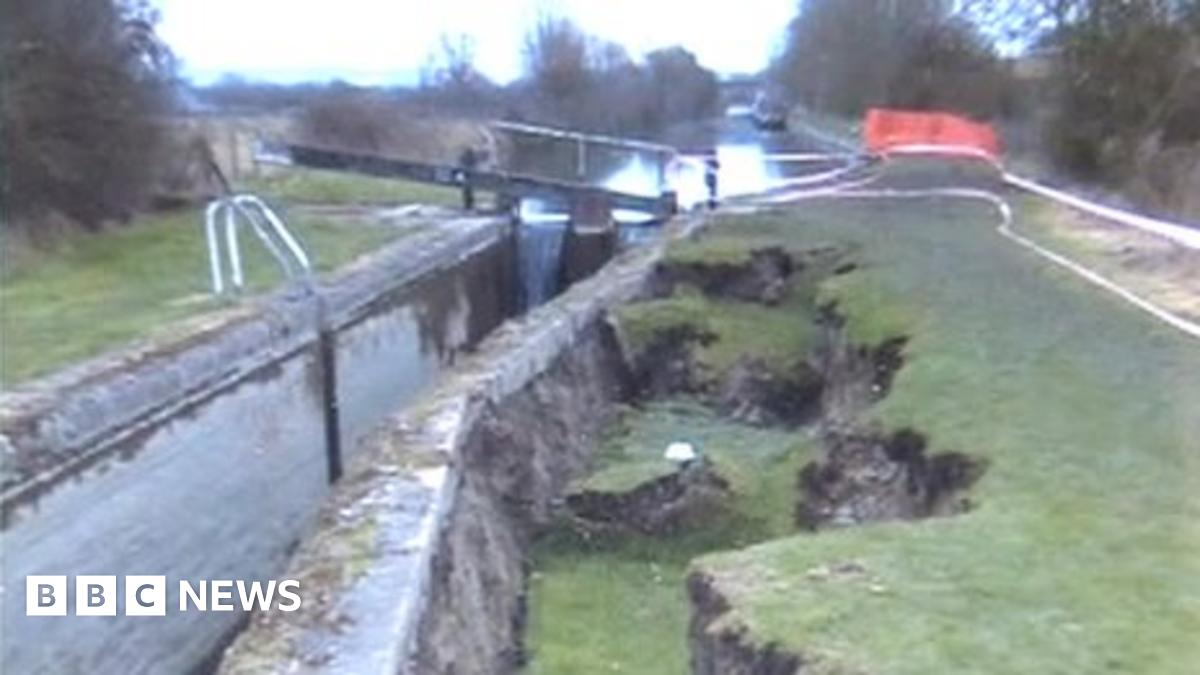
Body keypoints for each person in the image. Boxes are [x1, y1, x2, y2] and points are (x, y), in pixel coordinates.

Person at [457, 147, 479, 211]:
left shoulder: (472, 158)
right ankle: (468, 204)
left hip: (468, 175)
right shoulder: (468, 158)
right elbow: (460, 161)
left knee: (468, 190)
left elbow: (475, 165)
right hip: (467, 175)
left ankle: (469, 204)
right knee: (467, 190)